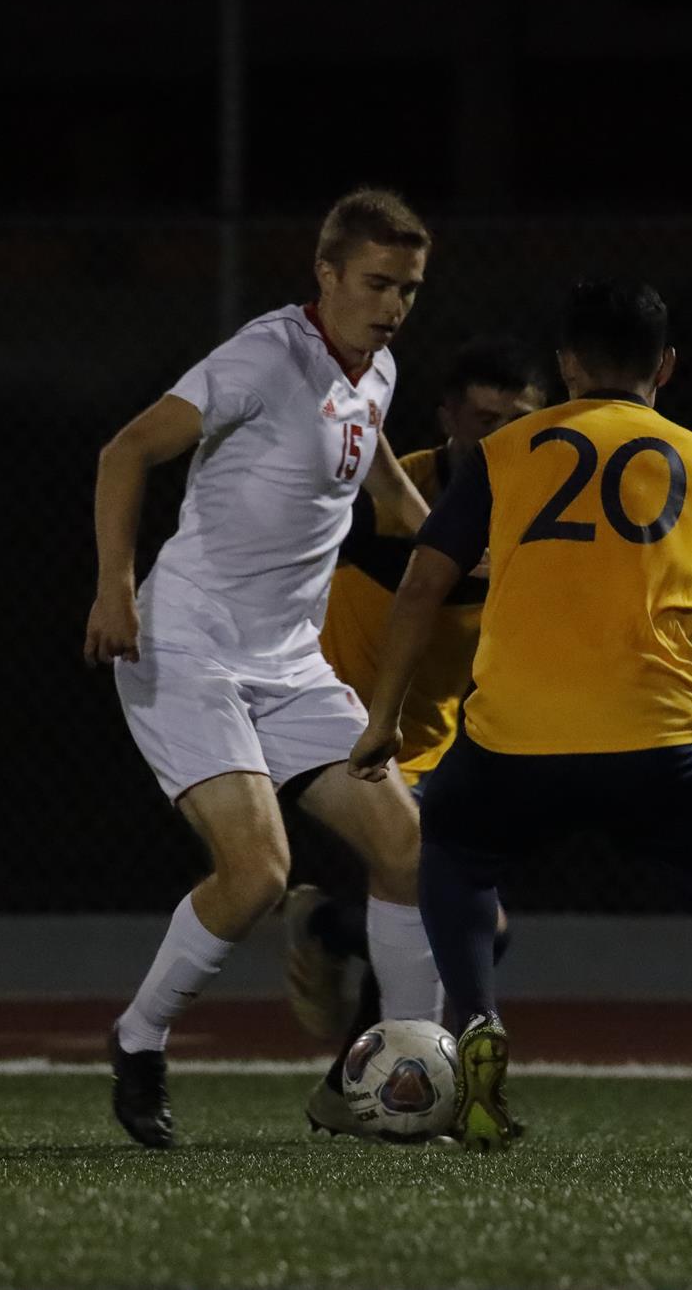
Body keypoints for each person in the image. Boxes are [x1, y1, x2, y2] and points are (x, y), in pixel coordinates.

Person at [350, 279, 692, 1155]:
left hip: (513, 744)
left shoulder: (506, 452)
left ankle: (478, 1026)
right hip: (665, 751)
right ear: (667, 366)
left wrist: (385, 716)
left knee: (452, 857)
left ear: (567, 364)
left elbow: (424, 584)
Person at [85, 187, 443, 1148]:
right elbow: (125, 452)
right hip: (187, 644)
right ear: (325, 276)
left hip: (290, 663)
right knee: (256, 872)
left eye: (409, 287)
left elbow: (395, 497)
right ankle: (139, 1039)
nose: (394, 303)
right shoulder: (263, 355)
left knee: (412, 851)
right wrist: (115, 591)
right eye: (376, 283)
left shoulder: (377, 373)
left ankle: (406, 1082)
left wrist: (488, 555)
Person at [283, 336, 542, 1136]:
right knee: (442, 906)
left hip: (423, 741)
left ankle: (347, 1052)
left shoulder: (539, 513)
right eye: (483, 421)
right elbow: (409, 564)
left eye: (518, 425)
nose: (497, 441)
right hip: (325, 717)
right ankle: (405, 1090)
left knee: (471, 929)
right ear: (448, 417)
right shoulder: (393, 489)